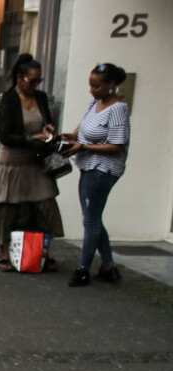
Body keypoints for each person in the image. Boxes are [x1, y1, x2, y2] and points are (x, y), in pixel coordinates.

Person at [0, 54, 63, 272]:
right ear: (19, 78)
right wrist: (31, 138)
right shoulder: (8, 100)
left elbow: (47, 121)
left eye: (39, 80)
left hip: (36, 160)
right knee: (7, 206)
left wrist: (48, 129)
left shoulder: (40, 97)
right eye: (32, 80)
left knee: (45, 202)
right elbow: (5, 136)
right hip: (13, 160)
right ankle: (4, 252)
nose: (36, 84)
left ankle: (41, 251)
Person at [60, 63, 130, 287]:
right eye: (91, 84)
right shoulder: (96, 102)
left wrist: (83, 147)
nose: (92, 89)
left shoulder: (118, 108)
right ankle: (108, 266)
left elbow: (117, 145)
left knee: (90, 220)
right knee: (93, 217)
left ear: (111, 85)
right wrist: (70, 136)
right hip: (89, 165)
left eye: (97, 86)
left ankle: (83, 269)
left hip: (103, 169)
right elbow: (84, 128)